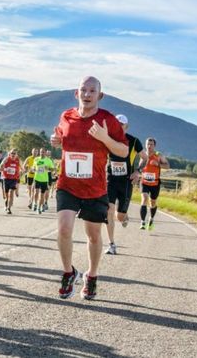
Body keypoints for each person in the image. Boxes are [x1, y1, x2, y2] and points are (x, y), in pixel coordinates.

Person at [50, 76, 128, 300]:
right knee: (64, 229)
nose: (87, 94)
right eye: (83, 90)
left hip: (95, 188)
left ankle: (92, 276)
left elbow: (122, 151)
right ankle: (68, 272)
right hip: (67, 184)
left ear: (99, 96)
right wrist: (56, 140)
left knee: (93, 235)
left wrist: (105, 138)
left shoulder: (107, 120)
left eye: (92, 91)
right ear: (76, 93)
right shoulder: (66, 115)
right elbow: (61, 137)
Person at [104, 114, 143, 255]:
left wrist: (138, 171)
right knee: (109, 211)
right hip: (111, 179)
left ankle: (124, 216)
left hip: (126, 181)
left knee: (119, 216)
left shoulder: (134, 141)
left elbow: (144, 158)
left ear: (126, 126)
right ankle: (111, 244)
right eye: (116, 123)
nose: (118, 126)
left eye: (121, 124)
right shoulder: (107, 139)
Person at [139, 137, 170, 230]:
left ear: (154, 146)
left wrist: (158, 164)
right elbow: (139, 167)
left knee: (153, 203)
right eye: (147, 144)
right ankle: (142, 222)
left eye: (151, 144)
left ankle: (151, 219)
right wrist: (138, 171)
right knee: (144, 198)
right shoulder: (143, 154)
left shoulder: (158, 155)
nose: (149, 146)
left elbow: (168, 166)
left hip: (155, 184)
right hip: (144, 182)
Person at [32, 148, 55, 214]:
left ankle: (39, 207)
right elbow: (33, 167)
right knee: (36, 192)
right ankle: (35, 204)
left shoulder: (48, 160)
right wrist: (33, 169)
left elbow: (53, 169)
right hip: (37, 178)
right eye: (41, 152)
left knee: (42, 195)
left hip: (44, 180)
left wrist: (48, 168)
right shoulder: (36, 159)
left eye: (43, 152)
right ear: (39, 152)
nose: (42, 153)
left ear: (45, 153)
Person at [0, 149, 21, 214]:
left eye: (14, 153)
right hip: (6, 179)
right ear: (9, 154)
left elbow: (22, 168)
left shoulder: (18, 160)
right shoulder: (6, 159)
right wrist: (2, 166)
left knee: (11, 192)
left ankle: (9, 208)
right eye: (12, 153)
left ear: (16, 155)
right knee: (6, 196)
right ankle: (7, 204)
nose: (13, 154)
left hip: (14, 179)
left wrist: (23, 171)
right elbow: (1, 167)